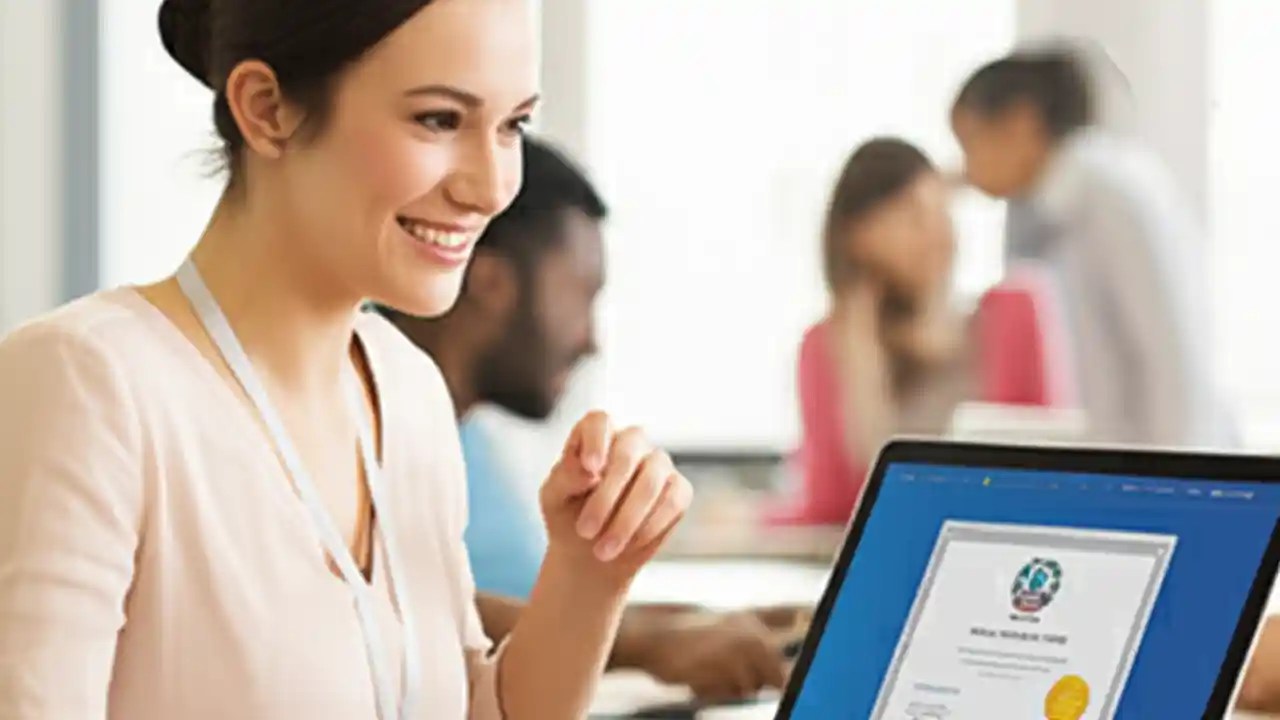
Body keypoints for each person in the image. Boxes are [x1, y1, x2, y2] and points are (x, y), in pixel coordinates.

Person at [0, 1, 694, 718]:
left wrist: (588, 574)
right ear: (267, 109)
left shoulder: (405, 392)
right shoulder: (89, 385)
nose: (490, 188)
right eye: (438, 119)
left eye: (512, 125)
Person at [383, 136, 795, 702]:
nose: (591, 340)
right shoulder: (363, 423)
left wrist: (703, 621)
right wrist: (653, 643)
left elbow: (535, 606)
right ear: (492, 282)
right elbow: (410, 611)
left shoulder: (468, 439)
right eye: (582, 293)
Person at [770, 138, 1072, 526]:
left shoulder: (1013, 311)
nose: (938, 233)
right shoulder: (827, 347)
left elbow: (1044, 472)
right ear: (859, 237)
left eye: (942, 211)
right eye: (913, 215)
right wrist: (860, 354)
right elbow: (835, 506)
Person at [951, 46, 1232, 449]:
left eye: (970, 142)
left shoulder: (1106, 197)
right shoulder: (1061, 203)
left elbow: (1167, 364)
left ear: (1021, 123)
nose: (966, 167)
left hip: (1173, 458)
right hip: (1135, 458)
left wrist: (1174, 481)